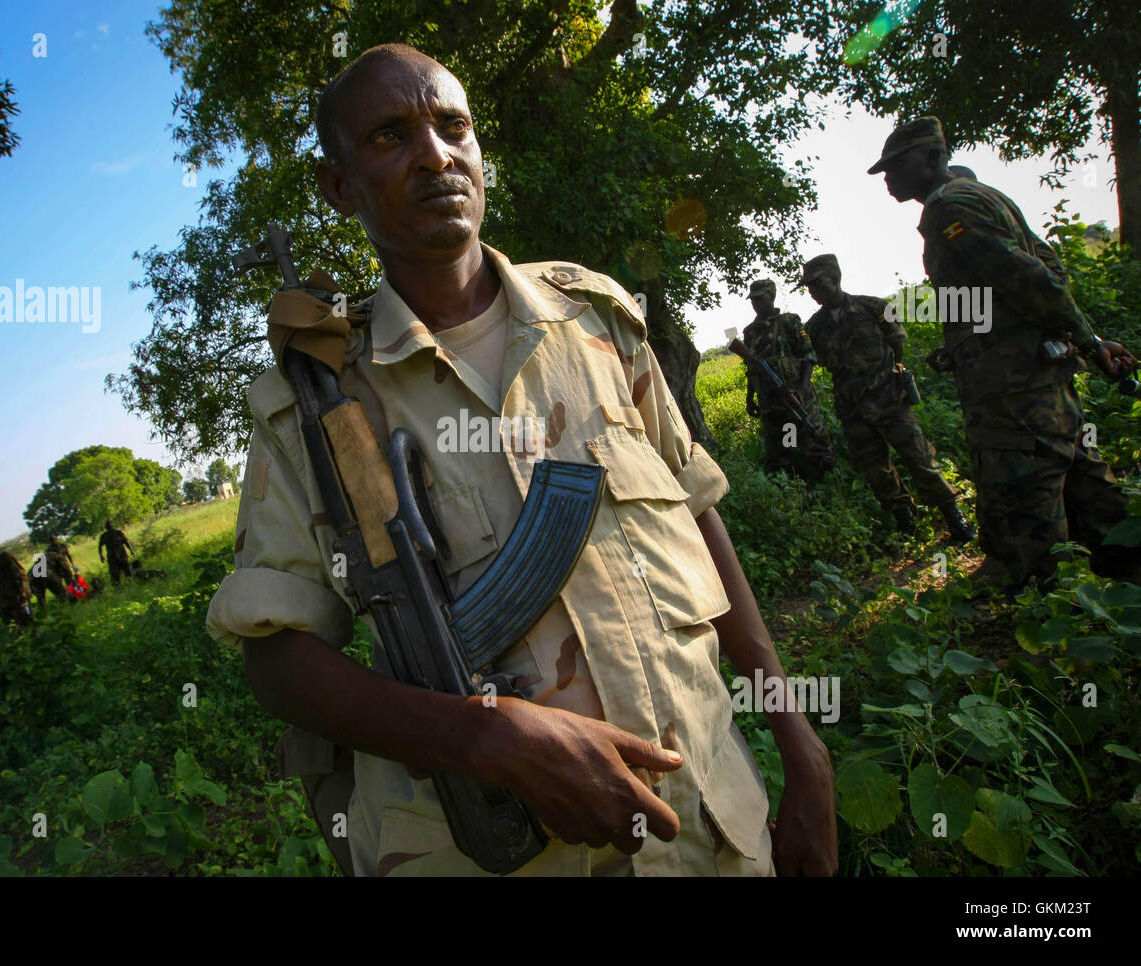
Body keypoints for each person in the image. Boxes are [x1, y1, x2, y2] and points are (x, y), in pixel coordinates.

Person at [207, 43, 837, 878]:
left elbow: (696, 511)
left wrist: (797, 739)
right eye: (391, 137)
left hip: (711, 825)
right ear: (338, 186)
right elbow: (278, 659)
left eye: (453, 127)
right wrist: (483, 737)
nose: (436, 155)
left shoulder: (599, 319)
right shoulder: (315, 410)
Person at [872, 115, 1138, 587]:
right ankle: (1123, 583)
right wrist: (959, 345)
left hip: (1013, 389)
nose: (888, 177)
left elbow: (1029, 278)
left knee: (1023, 501)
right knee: (1086, 486)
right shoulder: (985, 197)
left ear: (934, 158)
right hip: (1035, 377)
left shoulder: (949, 206)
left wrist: (1089, 340)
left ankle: (1040, 615)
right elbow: (1038, 269)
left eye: (896, 165)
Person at [801, 253, 975, 541]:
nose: (813, 291)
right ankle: (904, 519)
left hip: (888, 399)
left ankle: (952, 515)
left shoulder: (874, 307)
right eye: (809, 287)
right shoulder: (815, 326)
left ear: (835, 278)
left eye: (818, 284)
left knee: (918, 456)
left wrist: (893, 375)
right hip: (851, 406)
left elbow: (897, 342)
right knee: (874, 466)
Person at [741, 278, 837, 483]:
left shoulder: (789, 322)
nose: (756, 304)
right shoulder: (750, 332)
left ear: (772, 297)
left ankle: (823, 488)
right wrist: (750, 398)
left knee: (814, 443)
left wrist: (801, 389)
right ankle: (793, 487)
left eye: (760, 299)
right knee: (784, 447)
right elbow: (751, 368)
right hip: (772, 404)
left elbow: (808, 356)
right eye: (753, 300)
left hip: (796, 397)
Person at [0, 538, 32, 627]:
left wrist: (22, 591)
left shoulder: (5, 556)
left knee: (26, 619)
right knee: (11, 622)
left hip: (16, 595)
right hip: (6, 597)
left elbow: (19, 573)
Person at [97, 521, 135, 587]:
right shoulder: (105, 536)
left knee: (127, 572)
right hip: (114, 558)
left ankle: (130, 584)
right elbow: (100, 547)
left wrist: (131, 550)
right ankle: (120, 587)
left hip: (121, 555)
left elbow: (126, 542)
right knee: (116, 576)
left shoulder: (117, 533)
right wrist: (101, 556)